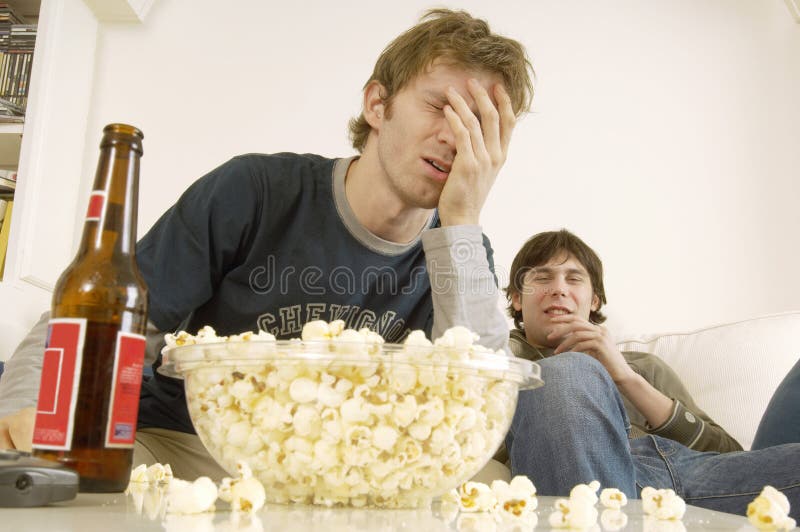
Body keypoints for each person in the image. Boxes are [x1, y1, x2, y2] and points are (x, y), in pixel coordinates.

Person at [0, 9, 535, 480]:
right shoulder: (253, 190)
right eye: (441, 106)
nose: (456, 138)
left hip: (362, 472)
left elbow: (477, 407)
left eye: (480, 125)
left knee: (493, 484)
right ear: (378, 103)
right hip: (187, 447)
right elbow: (103, 315)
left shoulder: (462, 251)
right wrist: (28, 407)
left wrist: (461, 218)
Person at [504, 229, 800, 519]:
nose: (559, 288)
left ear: (593, 301)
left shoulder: (643, 365)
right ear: (517, 299)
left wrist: (626, 377)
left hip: (686, 472)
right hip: (605, 481)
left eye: (574, 278)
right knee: (567, 370)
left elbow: (727, 454)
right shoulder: (498, 367)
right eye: (542, 278)